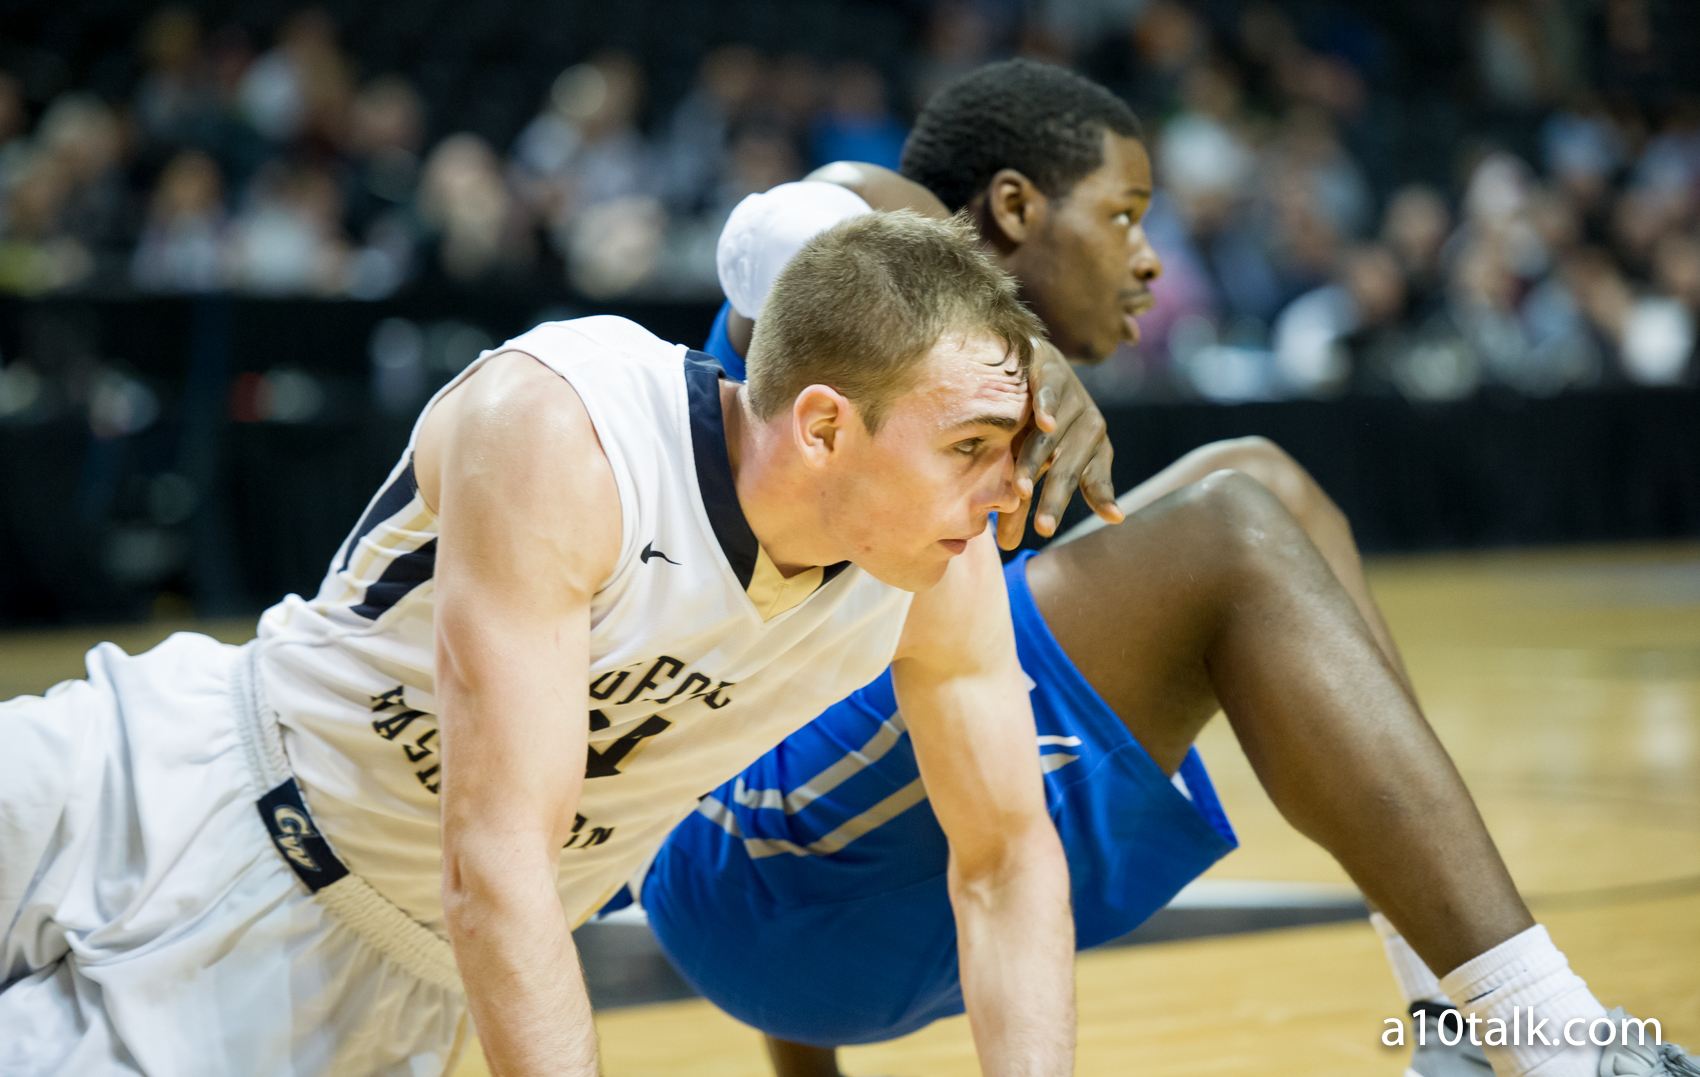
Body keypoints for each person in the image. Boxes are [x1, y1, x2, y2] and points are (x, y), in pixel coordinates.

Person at [640, 60, 1691, 1077]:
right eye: (1120, 215)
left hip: (785, 910)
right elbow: (803, 210)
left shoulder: (939, 419)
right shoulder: (836, 281)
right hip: (755, 877)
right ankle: (1562, 1048)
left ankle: (1449, 1025)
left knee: (1264, 483)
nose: (1147, 257)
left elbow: (785, 686)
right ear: (1010, 209)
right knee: (1227, 531)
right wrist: (1004, 331)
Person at [0, 214, 1081, 1076]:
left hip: (342, 968)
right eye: (970, 447)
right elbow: (496, 859)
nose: (1004, 493)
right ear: (822, 425)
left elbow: (1004, 857)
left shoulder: (941, 571)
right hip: (156, 770)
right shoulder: (571, 427)